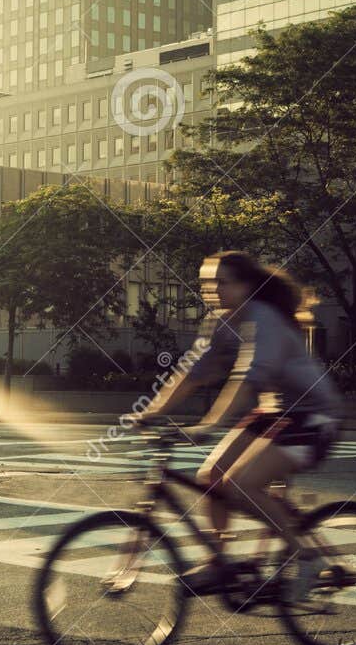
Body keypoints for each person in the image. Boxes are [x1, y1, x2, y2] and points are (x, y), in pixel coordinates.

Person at [129, 250, 343, 597]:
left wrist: (209, 424)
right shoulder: (220, 321)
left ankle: (307, 558)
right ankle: (221, 561)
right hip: (275, 413)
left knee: (242, 486)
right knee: (211, 478)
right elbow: (192, 373)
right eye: (207, 283)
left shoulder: (265, 319)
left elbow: (248, 380)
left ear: (245, 286)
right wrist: (150, 412)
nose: (213, 290)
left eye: (222, 283)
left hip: (313, 416)